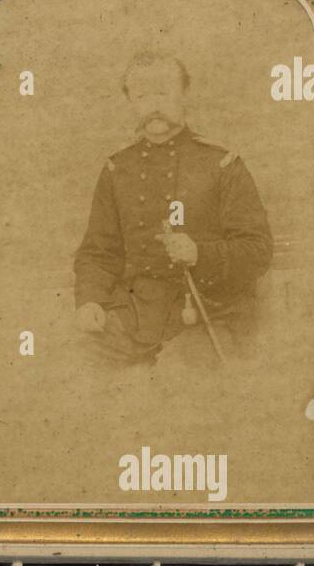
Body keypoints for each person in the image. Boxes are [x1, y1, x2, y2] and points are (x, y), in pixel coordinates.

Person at [73, 53, 272, 366]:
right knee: (72, 365)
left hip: (209, 312)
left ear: (185, 95)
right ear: (129, 103)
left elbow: (258, 250)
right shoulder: (117, 169)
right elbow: (98, 252)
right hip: (136, 314)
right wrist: (89, 301)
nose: (153, 105)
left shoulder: (222, 165)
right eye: (141, 96)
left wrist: (199, 254)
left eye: (163, 93)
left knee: (175, 380)